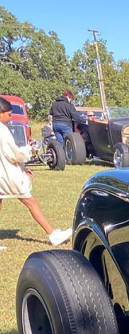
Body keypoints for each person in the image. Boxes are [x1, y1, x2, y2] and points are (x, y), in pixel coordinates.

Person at [0, 97, 72, 247]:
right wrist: (30, 149)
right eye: (8, 115)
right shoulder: (2, 130)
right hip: (6, 174)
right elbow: (13, 154)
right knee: (30, 201)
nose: (10, 118)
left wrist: (24, 168)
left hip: (4, 171)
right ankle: (52, 235)